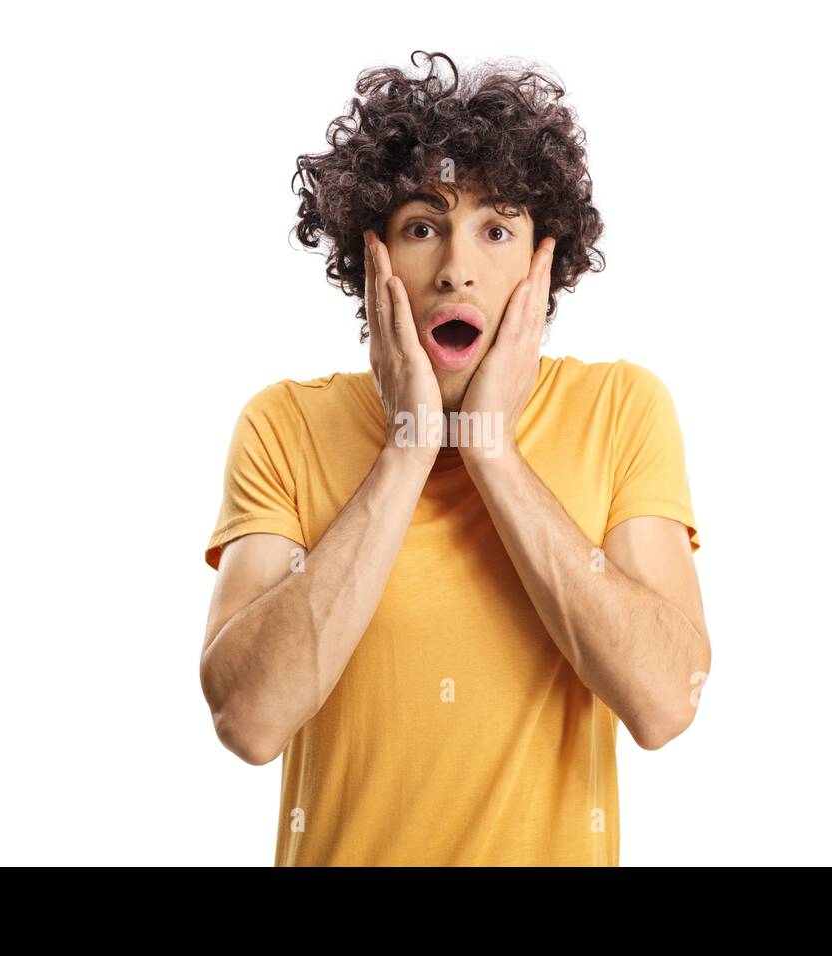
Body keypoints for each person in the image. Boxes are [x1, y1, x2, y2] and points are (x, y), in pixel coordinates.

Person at [199, 50, 711, 866]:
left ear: (541, 265)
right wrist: (407, 452)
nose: (456, 270)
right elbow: (250, 722)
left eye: (497, 229)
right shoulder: (284, 424)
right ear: (373, 259)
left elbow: (664, 705)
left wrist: (492, 453)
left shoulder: (622, 409)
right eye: (422, 228)